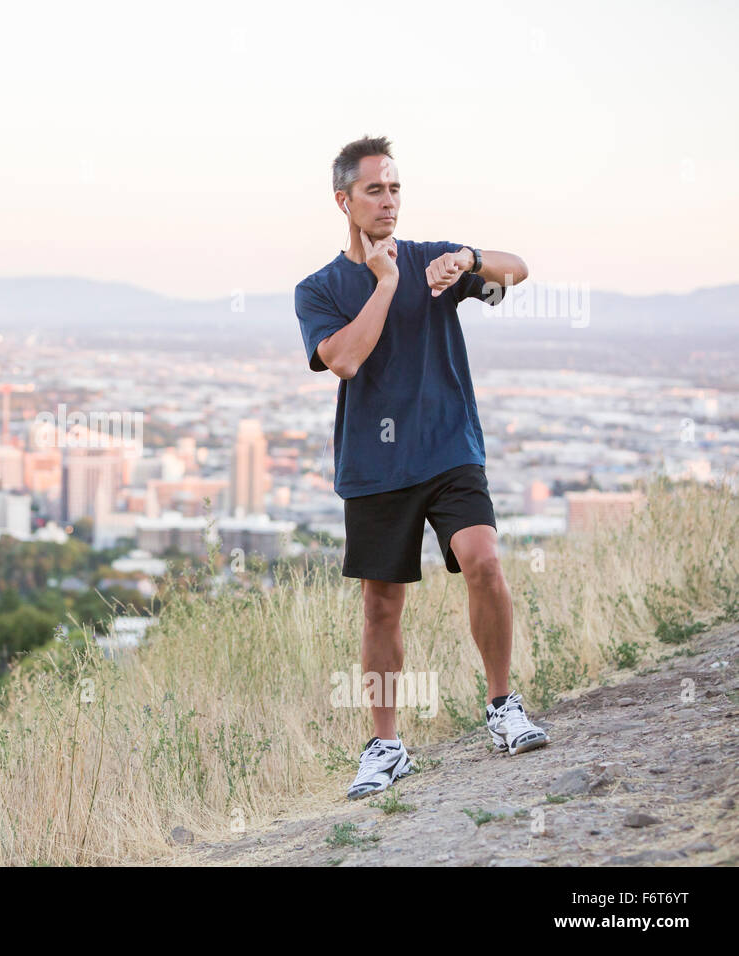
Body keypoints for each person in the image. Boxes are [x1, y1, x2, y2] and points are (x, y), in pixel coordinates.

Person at [294, 135, 550, 801]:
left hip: (447, 447)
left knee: (483, 560)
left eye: (396, 188)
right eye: (375, 190)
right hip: (375, 466)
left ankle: (502, 706)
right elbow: (345, 359)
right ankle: (386, 746)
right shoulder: (319, 288)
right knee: (381, 607)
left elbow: (518, 270)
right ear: (343, 200)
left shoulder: (436, 261)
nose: (389, 201)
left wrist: (467, 257)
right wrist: (386, 285)